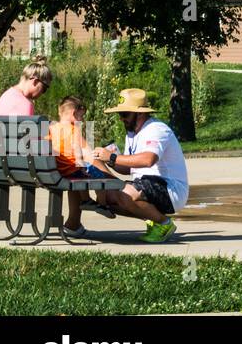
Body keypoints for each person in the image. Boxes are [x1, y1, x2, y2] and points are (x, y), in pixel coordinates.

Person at [90, 89, 190, 243]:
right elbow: (127, 169)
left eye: (125, 114)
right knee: (108, 198)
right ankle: (152, 219)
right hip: (146, 185)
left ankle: (164, 224)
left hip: (170, 190)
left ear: (140, 114)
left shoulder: (157, 129)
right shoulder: (132, 133)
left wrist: (112, 156)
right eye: (120, 114)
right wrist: (106, 160)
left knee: (126, 193)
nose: (121, 119)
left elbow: (148, 160)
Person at [48, 96, 111, 236]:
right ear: (73, 114)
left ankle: (86, 200)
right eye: (81, 116)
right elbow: (79, 154)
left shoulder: (52, 128)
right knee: (96, 175)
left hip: (57, 171)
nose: (82, 120)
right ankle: (103, 204)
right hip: (71, 171)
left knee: (81, 174)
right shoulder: (74, 130)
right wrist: (83, 166)